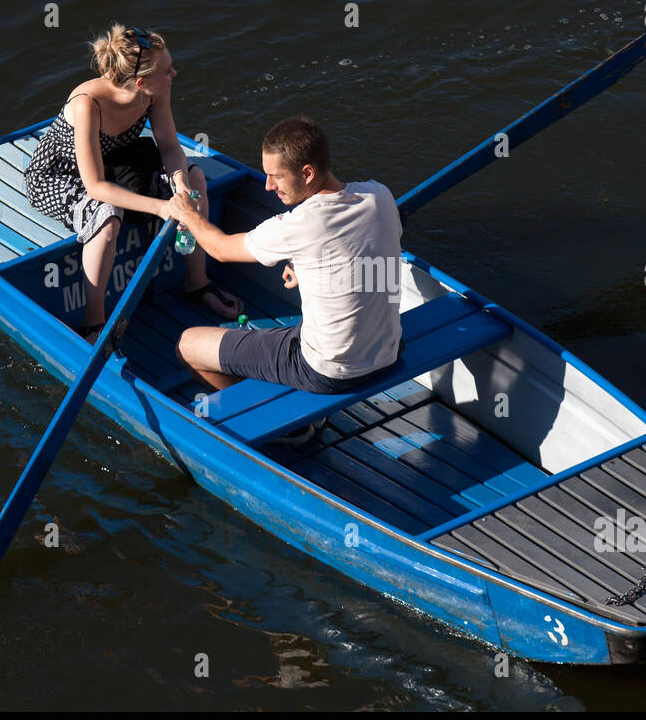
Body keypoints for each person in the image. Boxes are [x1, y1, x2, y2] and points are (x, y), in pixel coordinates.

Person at [170, 117, 403, 424]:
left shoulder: (302, 224)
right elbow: (360, 245)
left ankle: (279, 425)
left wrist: (190, 214)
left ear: (307, 173)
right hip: (390, 352)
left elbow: (220, 249)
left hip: (328, 370)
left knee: (187, 345)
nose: (267, 186)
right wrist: (302, 262)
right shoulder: (379, 195)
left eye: (275, 176)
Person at [24, 22, 241, 342]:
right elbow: (95, 187)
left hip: (116, 160)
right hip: (59, 176)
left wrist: (181, 188)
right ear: (139, 82)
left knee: (194, 179)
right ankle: (94, 321)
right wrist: (164, 208)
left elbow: (168, 145)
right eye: (167, 70)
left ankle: (197, 281)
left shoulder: (154, 92)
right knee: (107, 216)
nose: (174, 74)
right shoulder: (88, 104)